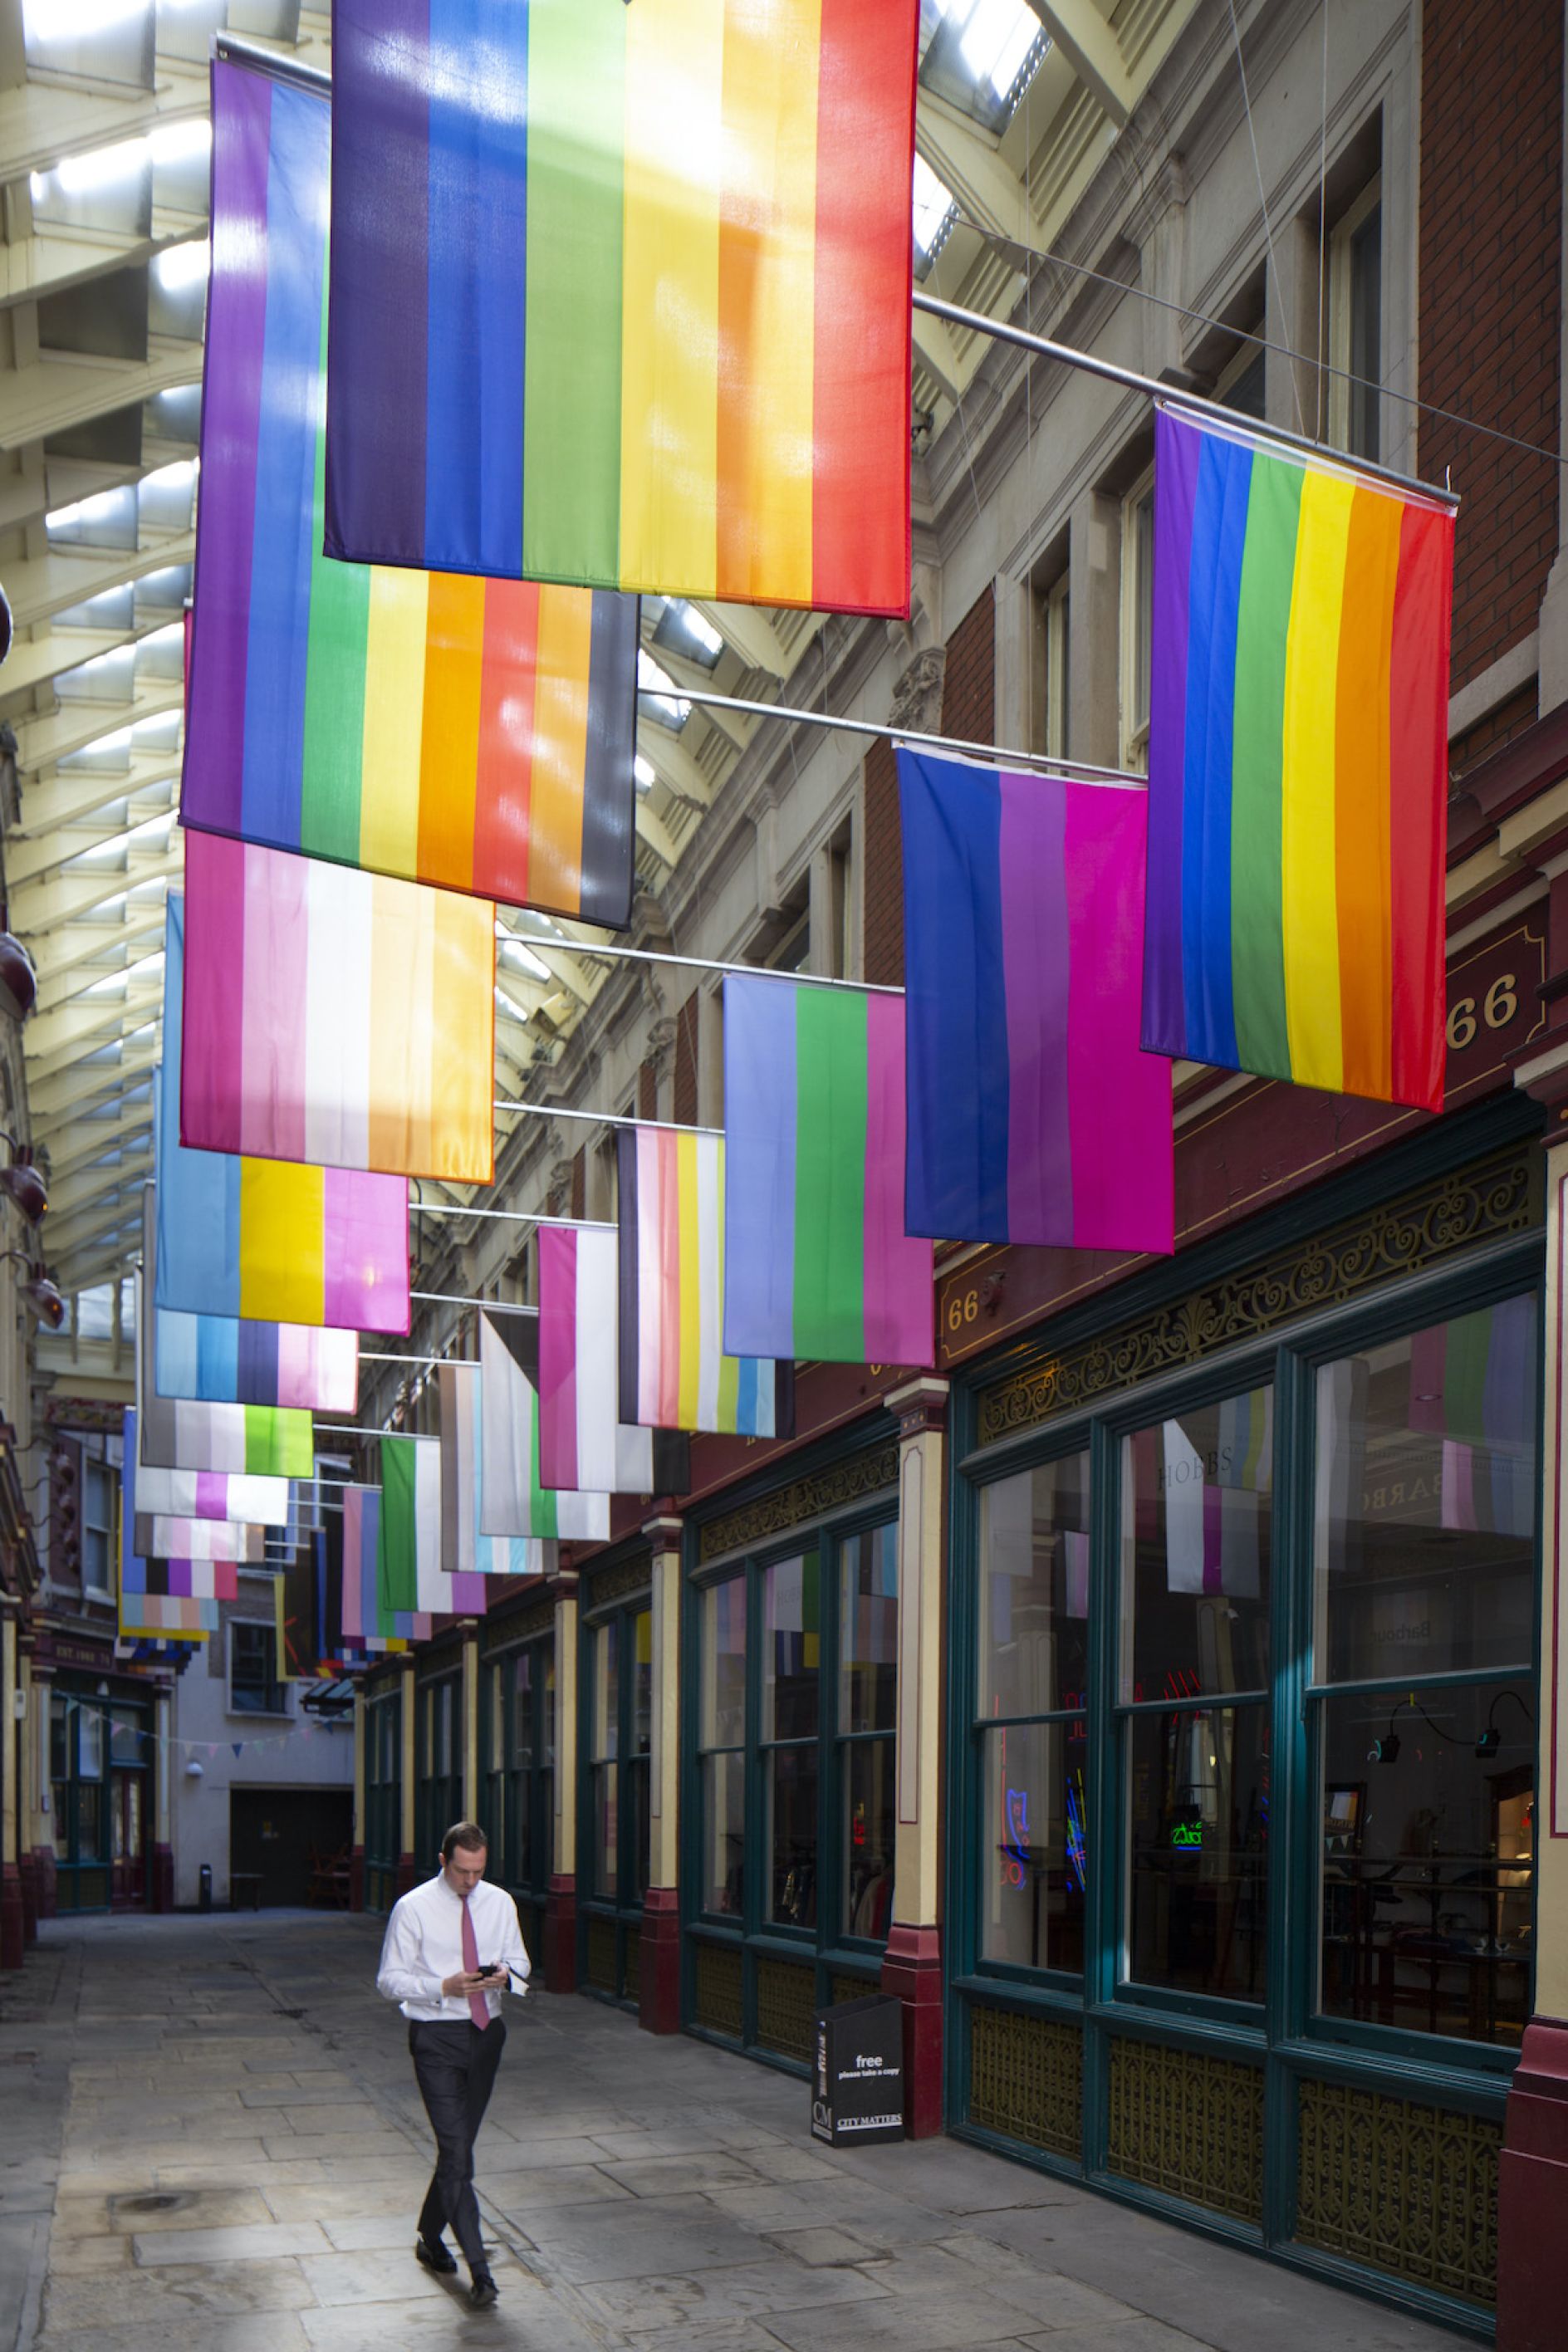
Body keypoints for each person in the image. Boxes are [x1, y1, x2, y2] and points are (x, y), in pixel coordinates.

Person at [375, 1820, 530, 2309]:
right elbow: (389, 1980)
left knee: (455, 2152)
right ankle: (481, 2273)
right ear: (444, 1861)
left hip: (487, 2037)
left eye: (478, 1871)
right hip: (436, 2039)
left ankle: (429, 2234)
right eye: (462, 1871)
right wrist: (443, 1986)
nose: (470, 1882)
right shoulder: (414, 1908)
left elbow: (523, 1968)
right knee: (459, 2155)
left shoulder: (500, 1902)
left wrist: (505, 1977)